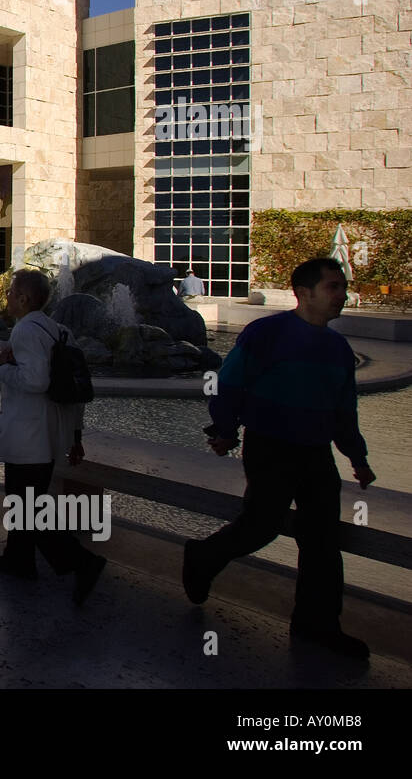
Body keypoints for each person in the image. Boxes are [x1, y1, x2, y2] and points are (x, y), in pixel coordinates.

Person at [183, 257, 375, 660]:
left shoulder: (338, 348)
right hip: (270, 447)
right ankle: (203, 557)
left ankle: (317, 624)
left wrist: (357, 457)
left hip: (316, 453)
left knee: (322, 540)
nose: (342, 295)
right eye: (333, 287)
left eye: (342, 287)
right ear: (303, 293)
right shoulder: (266, 333)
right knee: (261, 526)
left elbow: (344, 410)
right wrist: (224, 429)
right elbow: (230, 382)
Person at [0, 268, 106, 605]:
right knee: (26, 501)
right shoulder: (56, 328)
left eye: (12, 291)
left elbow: (36, 380)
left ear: (25, 298)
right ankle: (19, 560)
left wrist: (3, 368)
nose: (7, 296)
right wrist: (74, 435)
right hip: (47, 432)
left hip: (28, 433)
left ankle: (82, 562)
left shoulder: (26, 330)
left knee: (26, 507)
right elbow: (70, 385)